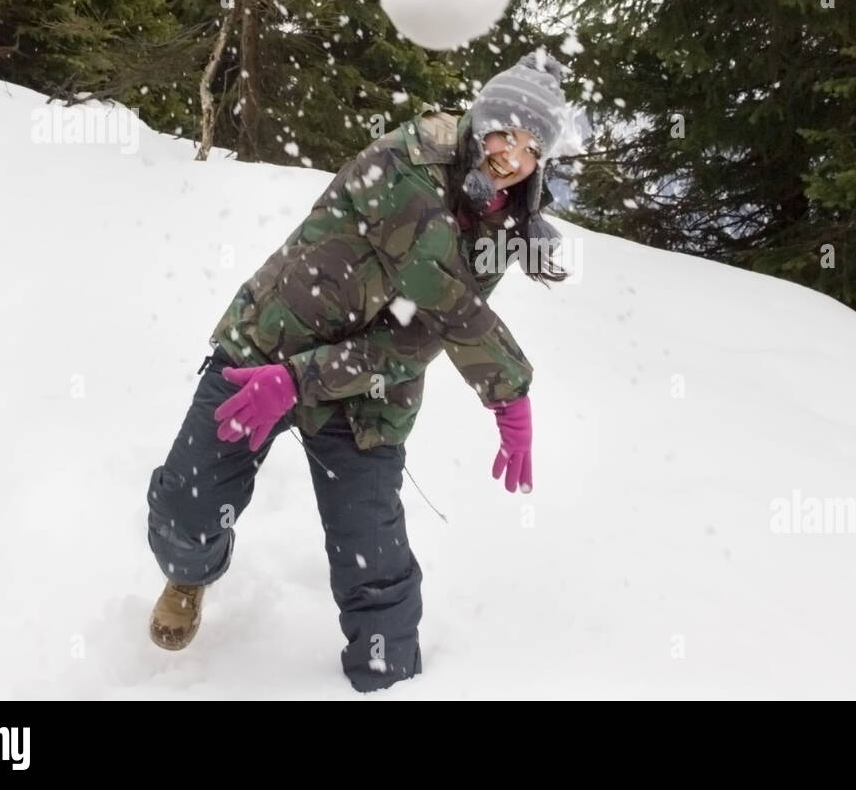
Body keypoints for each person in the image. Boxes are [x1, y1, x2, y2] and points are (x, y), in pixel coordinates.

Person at [145, 49, 575, 693]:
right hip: (270, 343)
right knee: (188, 506)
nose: (512, 153)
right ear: (481, 120)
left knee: (374, 564)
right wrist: (508, 391)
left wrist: (302, 382)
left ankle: (389, 682)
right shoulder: (408, 162)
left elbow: (415, 339)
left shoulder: (502, 226)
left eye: (531, 146)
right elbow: (439, 287)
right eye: (505, 131)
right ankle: (189, 573)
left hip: (363, 389)